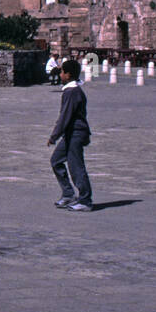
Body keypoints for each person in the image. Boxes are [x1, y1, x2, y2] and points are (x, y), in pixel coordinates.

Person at [47, 58, 93, 211]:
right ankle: (68, 193)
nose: (60, 74)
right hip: (70, 133)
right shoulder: (70, 90)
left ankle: (85, 200)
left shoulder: (72, 92)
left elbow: (65, 116)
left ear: (68, 74)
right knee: (56, 160)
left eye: (62, 72)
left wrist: (54, 136)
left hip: (76, 133)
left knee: (76, 167)